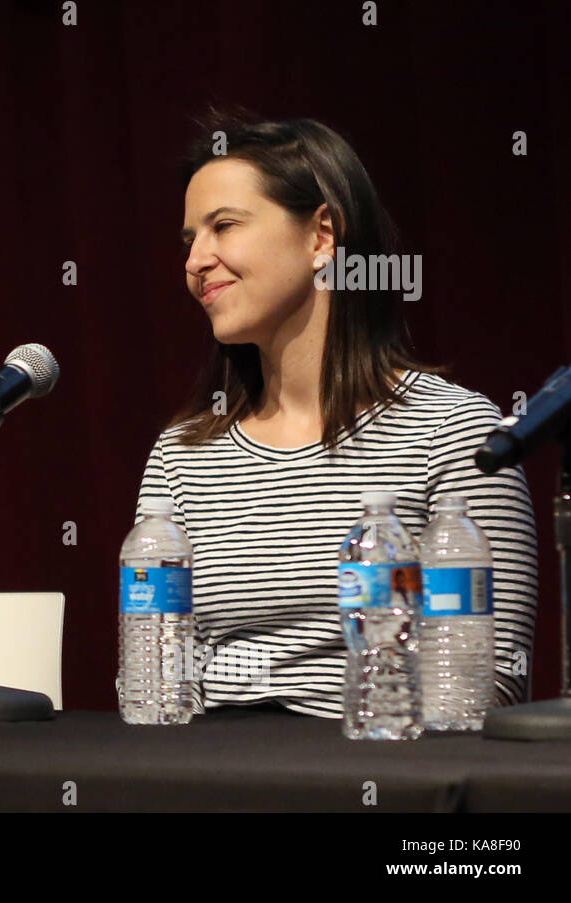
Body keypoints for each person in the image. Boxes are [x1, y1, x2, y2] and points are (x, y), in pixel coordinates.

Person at [137, 113, 538, 719]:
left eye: (224, 227)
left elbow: (490, 678)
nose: (196, 261)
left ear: (322, 235)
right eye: (190, 240)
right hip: (212, 771)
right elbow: (160, 681)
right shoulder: (183, 454)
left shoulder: (453, 431)